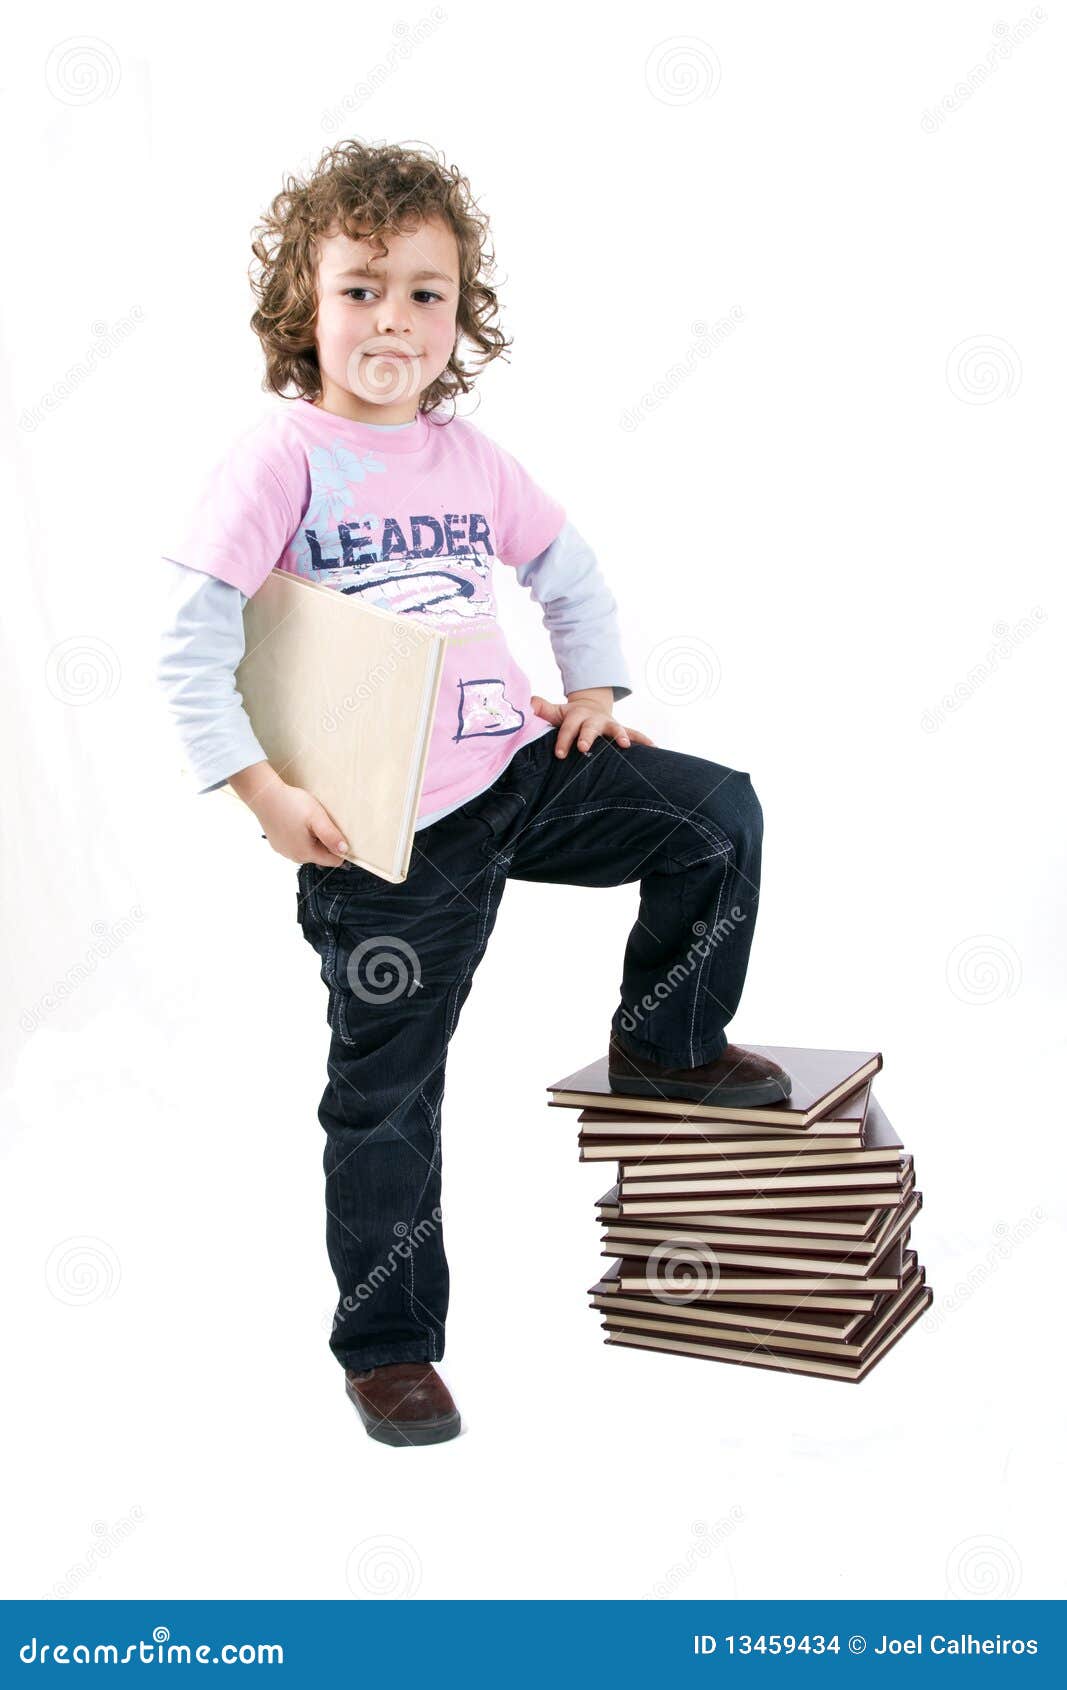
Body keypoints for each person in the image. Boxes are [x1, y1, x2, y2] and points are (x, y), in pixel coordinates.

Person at [158, 139, 789, 1449]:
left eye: (426, 294)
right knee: (389, 1090)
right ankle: (389, 1345)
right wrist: (263, 792)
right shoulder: (283, 456)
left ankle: (664, 1047)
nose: (393, 320)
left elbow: (565, 566)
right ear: (305, 304)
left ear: (463, 315)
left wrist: (593, 687)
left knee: (716, 815)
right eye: (362, 289)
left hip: (517, 769)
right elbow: (191, 642)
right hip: (386, 834)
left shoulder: (467, 458)